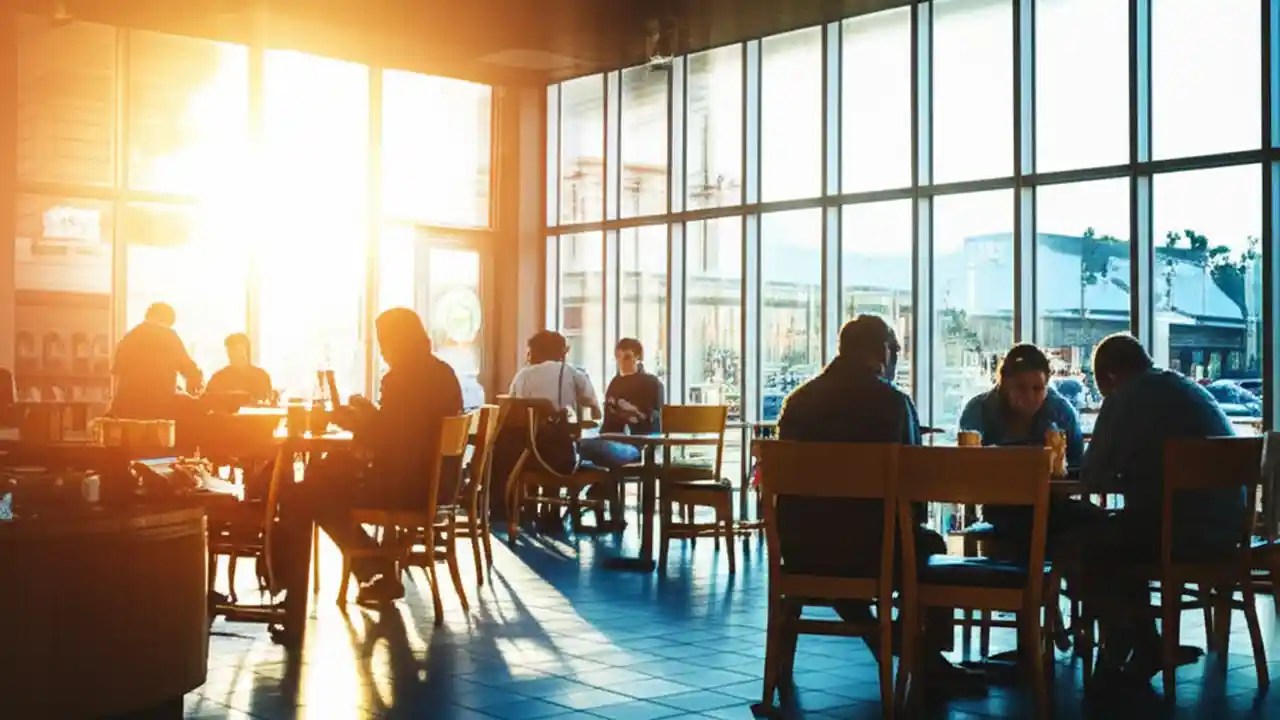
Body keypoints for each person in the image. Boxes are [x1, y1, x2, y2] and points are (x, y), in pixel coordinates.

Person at [776, 314, 980, 695]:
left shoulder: (797, 402)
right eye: (896, 350)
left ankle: (900, 649)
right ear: (884, 352)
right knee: (928, 545)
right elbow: (914, 492)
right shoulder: (892, 404)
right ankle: (924, 659)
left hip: (801, 548)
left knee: (849, 548)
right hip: (873, 551)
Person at [1079, 333, 1239, 679]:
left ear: (1109, 377)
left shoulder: (1125, 396)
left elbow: (1092, 475)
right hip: (1228, 533)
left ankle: (1128, 638)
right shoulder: (1188, 389)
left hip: (1177, 534)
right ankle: (1146, 641)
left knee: (1087, 541)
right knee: (1119, 534)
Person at [291, 308, 463, 604]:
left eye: (385, 343)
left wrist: (359, 419)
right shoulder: (442, 372)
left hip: (407, 487)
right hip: (439, 486)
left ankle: (370, 568)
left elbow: (391, 439)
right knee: (323, 477)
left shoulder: (401, 378)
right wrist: (372, 417)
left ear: (400, 341)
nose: (383, 352)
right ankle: (371, 567)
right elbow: (403, 428)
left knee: (312, 488)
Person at [958, 343, 1096, 548]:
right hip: (999, 507)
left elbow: (1077, 467)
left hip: (1054, 505)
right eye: (1020, 388)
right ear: (1003, 384)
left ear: (1047, 386)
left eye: (1038, 388)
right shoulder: (978, 410)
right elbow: (963, 468)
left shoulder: (1060, 411)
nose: (1030, 396)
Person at [579, 338, 664, 469]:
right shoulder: (615, 383)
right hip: (615, 441)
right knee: (583, 449)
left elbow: (655, 421)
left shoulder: (652, 383)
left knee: (586, 449)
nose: (621, 362)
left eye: (627, 357)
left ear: (638, 357)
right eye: (618, 357)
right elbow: (608, 421)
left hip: (638, 445)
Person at [109, 302, 203, 419]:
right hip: (159, 403)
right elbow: (188, 368)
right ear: (165, 320)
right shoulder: (168, 336)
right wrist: (196, 390)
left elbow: (117, 372)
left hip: (128, 404)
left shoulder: (129, 337)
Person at [509, 330, 600, 416]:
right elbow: (595, 411)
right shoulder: (571, 372)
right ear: (561, 353)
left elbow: (511, 404)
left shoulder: (521, 376)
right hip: (561, 430)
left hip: (526, 431)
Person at [204, 333, 274, 405]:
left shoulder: (261, 376)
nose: (234, 355)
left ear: (247, 351)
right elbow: (207, 403)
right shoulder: (218, 378)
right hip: (225, 416)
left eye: (238, 350)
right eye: (231, 351)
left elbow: (268, 403)